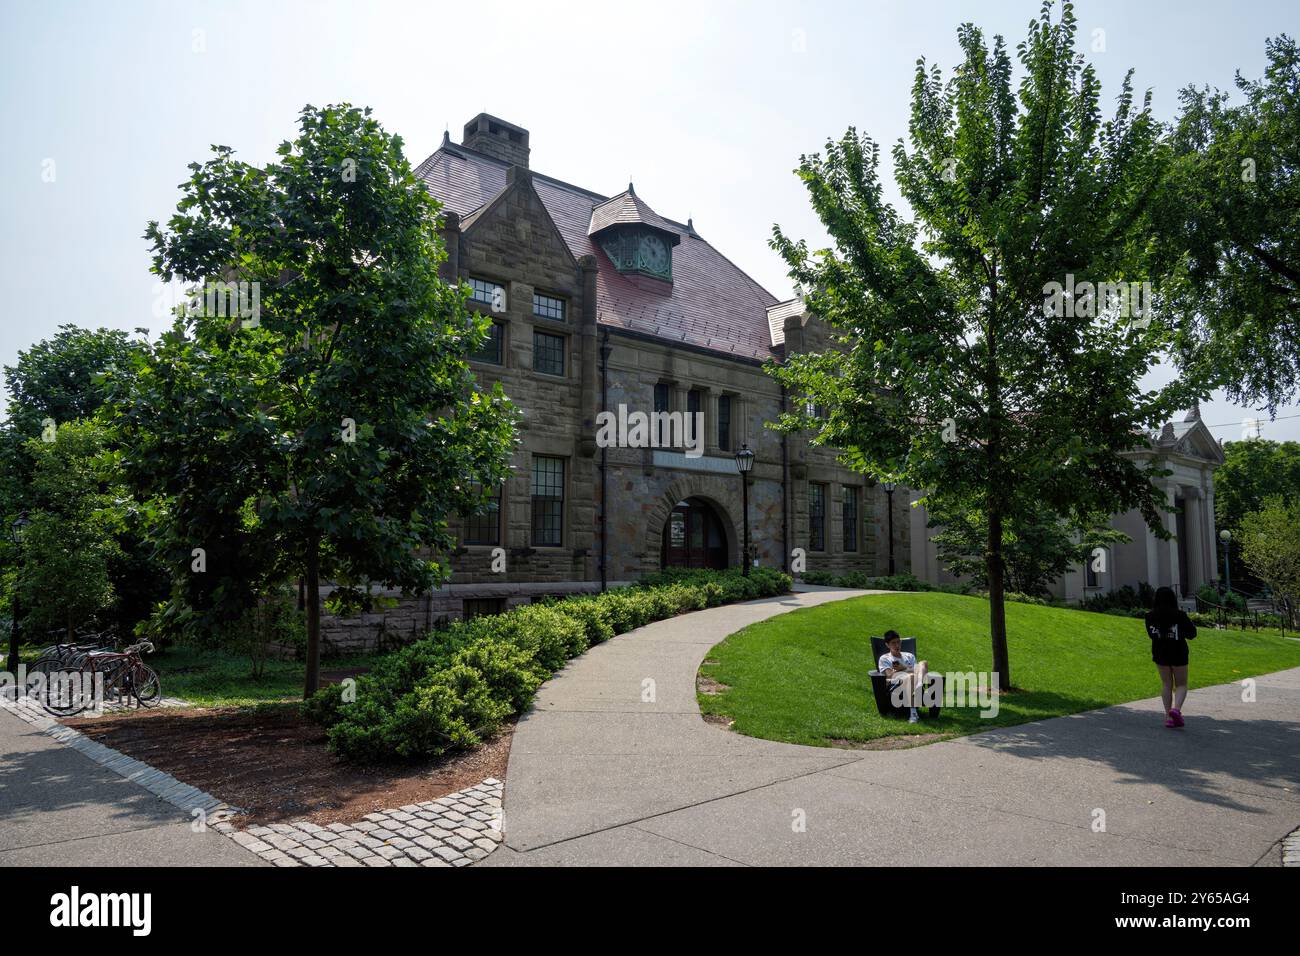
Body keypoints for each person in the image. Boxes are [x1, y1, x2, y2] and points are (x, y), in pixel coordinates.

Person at [1144, 586, 1197, 728]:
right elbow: (1192, 634)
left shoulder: (1150, 616)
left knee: (1166, 684)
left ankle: (1168, 716)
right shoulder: (1179, 615)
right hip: (1178, 653)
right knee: (1181, 684)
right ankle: (1176, 709)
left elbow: (1151, 635)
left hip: (1160, 653)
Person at [878, 630, 929, 723]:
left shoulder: (909, 656)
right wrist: (906, 670)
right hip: (896, 687)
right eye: (893, 643)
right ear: (887, 645)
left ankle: (919, 684)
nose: (897, 645)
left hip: (914, 681)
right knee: (912, 676)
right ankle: (913, 714)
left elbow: (920, 669)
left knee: (924, 663)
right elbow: (889, 675)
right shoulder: (885, 658)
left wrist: (902, 668)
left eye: (898, 642)